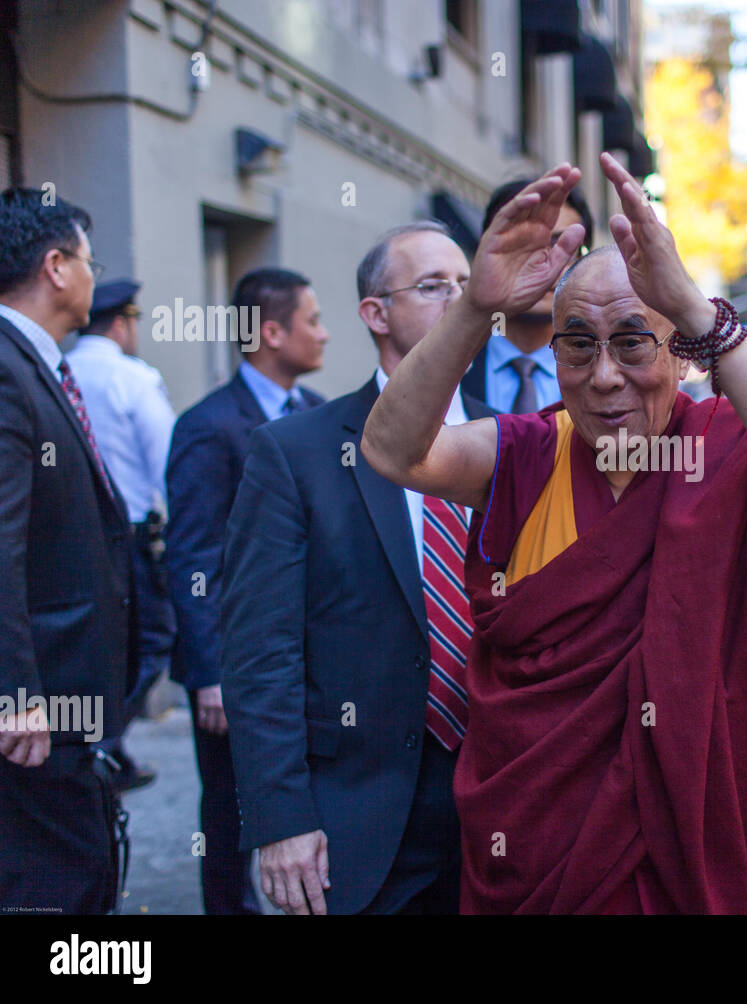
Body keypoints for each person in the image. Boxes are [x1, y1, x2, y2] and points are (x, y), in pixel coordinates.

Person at [362, 155, 747, 914]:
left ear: (681, 354)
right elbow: (395, 452)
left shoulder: (730, 450)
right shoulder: (531, 449)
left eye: (634, 342)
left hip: (695, 848)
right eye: (577, 345)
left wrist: (697, 310)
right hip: (537, 848)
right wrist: (476, 309)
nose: (603, 377)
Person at [223, 222, 492, 915]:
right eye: (435, 287)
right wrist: (280, 820)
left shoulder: (517, 441)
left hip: (498, 807)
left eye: (468, 287)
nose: (461, 303)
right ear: (375, 312)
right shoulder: (295, 453)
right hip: (358, 820)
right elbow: (261, 650)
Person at [166, 267, 329, 914]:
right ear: (271, 332)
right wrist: (209, 674)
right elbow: (192, 557)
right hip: (232, 666)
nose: (323, 333)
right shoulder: (208, 425)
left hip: (305, 658)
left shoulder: (318, 416)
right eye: (312, 320)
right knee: (231, 816)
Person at [0, 187, 136, 913]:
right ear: (56, 267)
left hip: (65, 699)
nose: (93, 276)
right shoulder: (6, 367)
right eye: (89, 260)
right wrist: (14, 693)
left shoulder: (36, 362)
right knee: (59, 886)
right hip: (38, 704)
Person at [65, 279, 176, 791]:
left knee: (95, 644)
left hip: (69, 536)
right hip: (128, 536)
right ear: (122, 322)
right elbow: (166, 464)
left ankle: (104, 746)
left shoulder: (58, 369)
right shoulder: (132, 378)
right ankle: (102, 745)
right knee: (153, 639)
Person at [459, 179, 592, 413]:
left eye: (563, 246)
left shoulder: (608, 370)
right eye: (522, 245)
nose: (541, 263)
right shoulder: (448, 366)